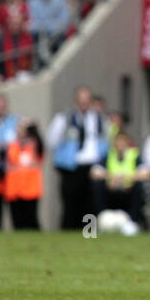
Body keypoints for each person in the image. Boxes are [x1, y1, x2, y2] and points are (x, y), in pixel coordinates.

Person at [47, 86, 106, 230]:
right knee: (70, 202)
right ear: (75, 101)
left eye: (87, 100)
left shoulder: (98, 119)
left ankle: (89, 232)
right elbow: (51, 140)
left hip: (91, 166)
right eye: (81, 100)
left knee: (91, 203)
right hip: (71, 167)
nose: (84, 104)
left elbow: (105, 141)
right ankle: (68, 233)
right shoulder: (64, 118)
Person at [91, 131, 150, 232]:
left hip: (128, 190)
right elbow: (94, 173)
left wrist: (127, 178)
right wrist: (110, 177)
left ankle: (132, 221)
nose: (120, 144)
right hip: (111, 190)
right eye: (117, 141)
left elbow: (146, 174)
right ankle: (102, 217)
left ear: (127, 142)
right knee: (97, 185)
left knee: (139, 187)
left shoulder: (134, 155)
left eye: (123, 141)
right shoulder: (108, 155)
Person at [4, 118, 43, 229]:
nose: (20, 131)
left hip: (30, 189)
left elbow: (40, 144)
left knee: (31, 219)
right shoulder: (12, 145)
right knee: (17, 221)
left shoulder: (34, 145)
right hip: (14, 189)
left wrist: (33, 129)